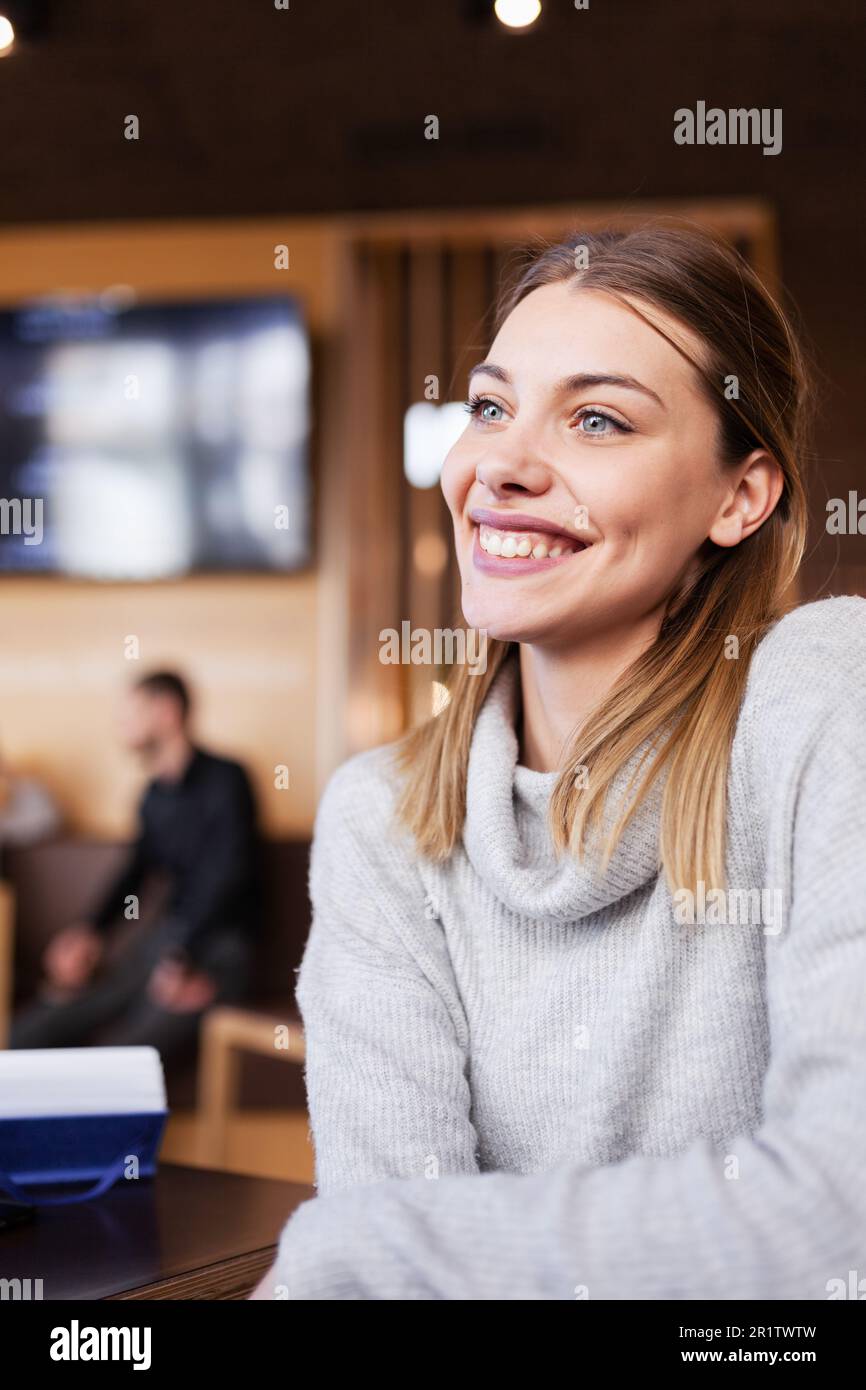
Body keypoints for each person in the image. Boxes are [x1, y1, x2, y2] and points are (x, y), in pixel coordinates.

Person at [252, 224, 866, 1300]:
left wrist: (357, 1251)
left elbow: (841, 1221)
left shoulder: (824, 691)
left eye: (595, 418)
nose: (501, 463)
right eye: (488, 406)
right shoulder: (383, 817)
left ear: (740, 497)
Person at [9, 670, 261, 1063]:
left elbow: (226, 877)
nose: (120, 725)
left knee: (121, 1055)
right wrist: (89, 932)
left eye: (131, 713)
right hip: (165, 941)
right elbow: (136, 874)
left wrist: (183, 958)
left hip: (219, 950)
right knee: (32, 1031)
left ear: (166, 711)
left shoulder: (228, 780)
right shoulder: (153, 797)